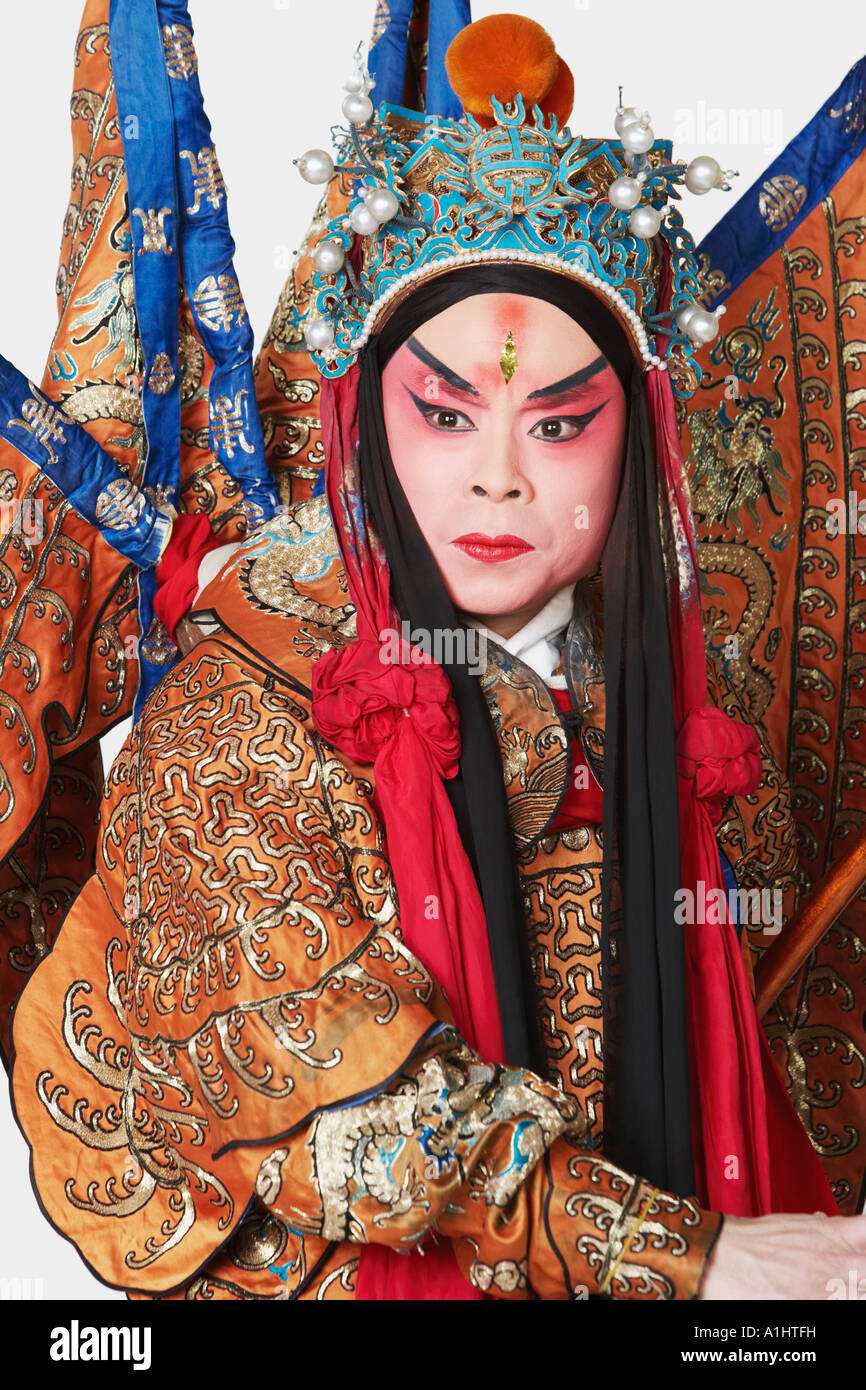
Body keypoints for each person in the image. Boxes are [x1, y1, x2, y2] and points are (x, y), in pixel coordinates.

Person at [7, 9, 866, 1301]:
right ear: (368, 417)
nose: (500, 479)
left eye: (561, 418)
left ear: (637, 436)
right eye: (447, 410)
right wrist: (695, 1258)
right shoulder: (243, 711)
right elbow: (358, 1132)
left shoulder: (706, 712)